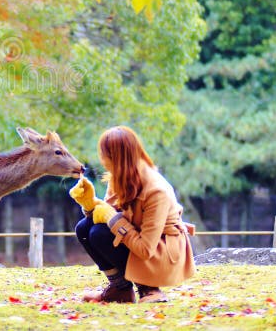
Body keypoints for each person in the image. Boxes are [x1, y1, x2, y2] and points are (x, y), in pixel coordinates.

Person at [69, 125, 195, 303]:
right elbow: (106, 214)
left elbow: (145, 249)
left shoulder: (156, 191)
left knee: (99, 233)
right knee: (85, 228)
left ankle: (150, 289)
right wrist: (89, 204)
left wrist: (111, 218)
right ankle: (120, 289)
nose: (102, 159)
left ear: (115, 158)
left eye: (104, 154)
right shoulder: (119, 177)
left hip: (162, 252)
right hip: (137, 239)